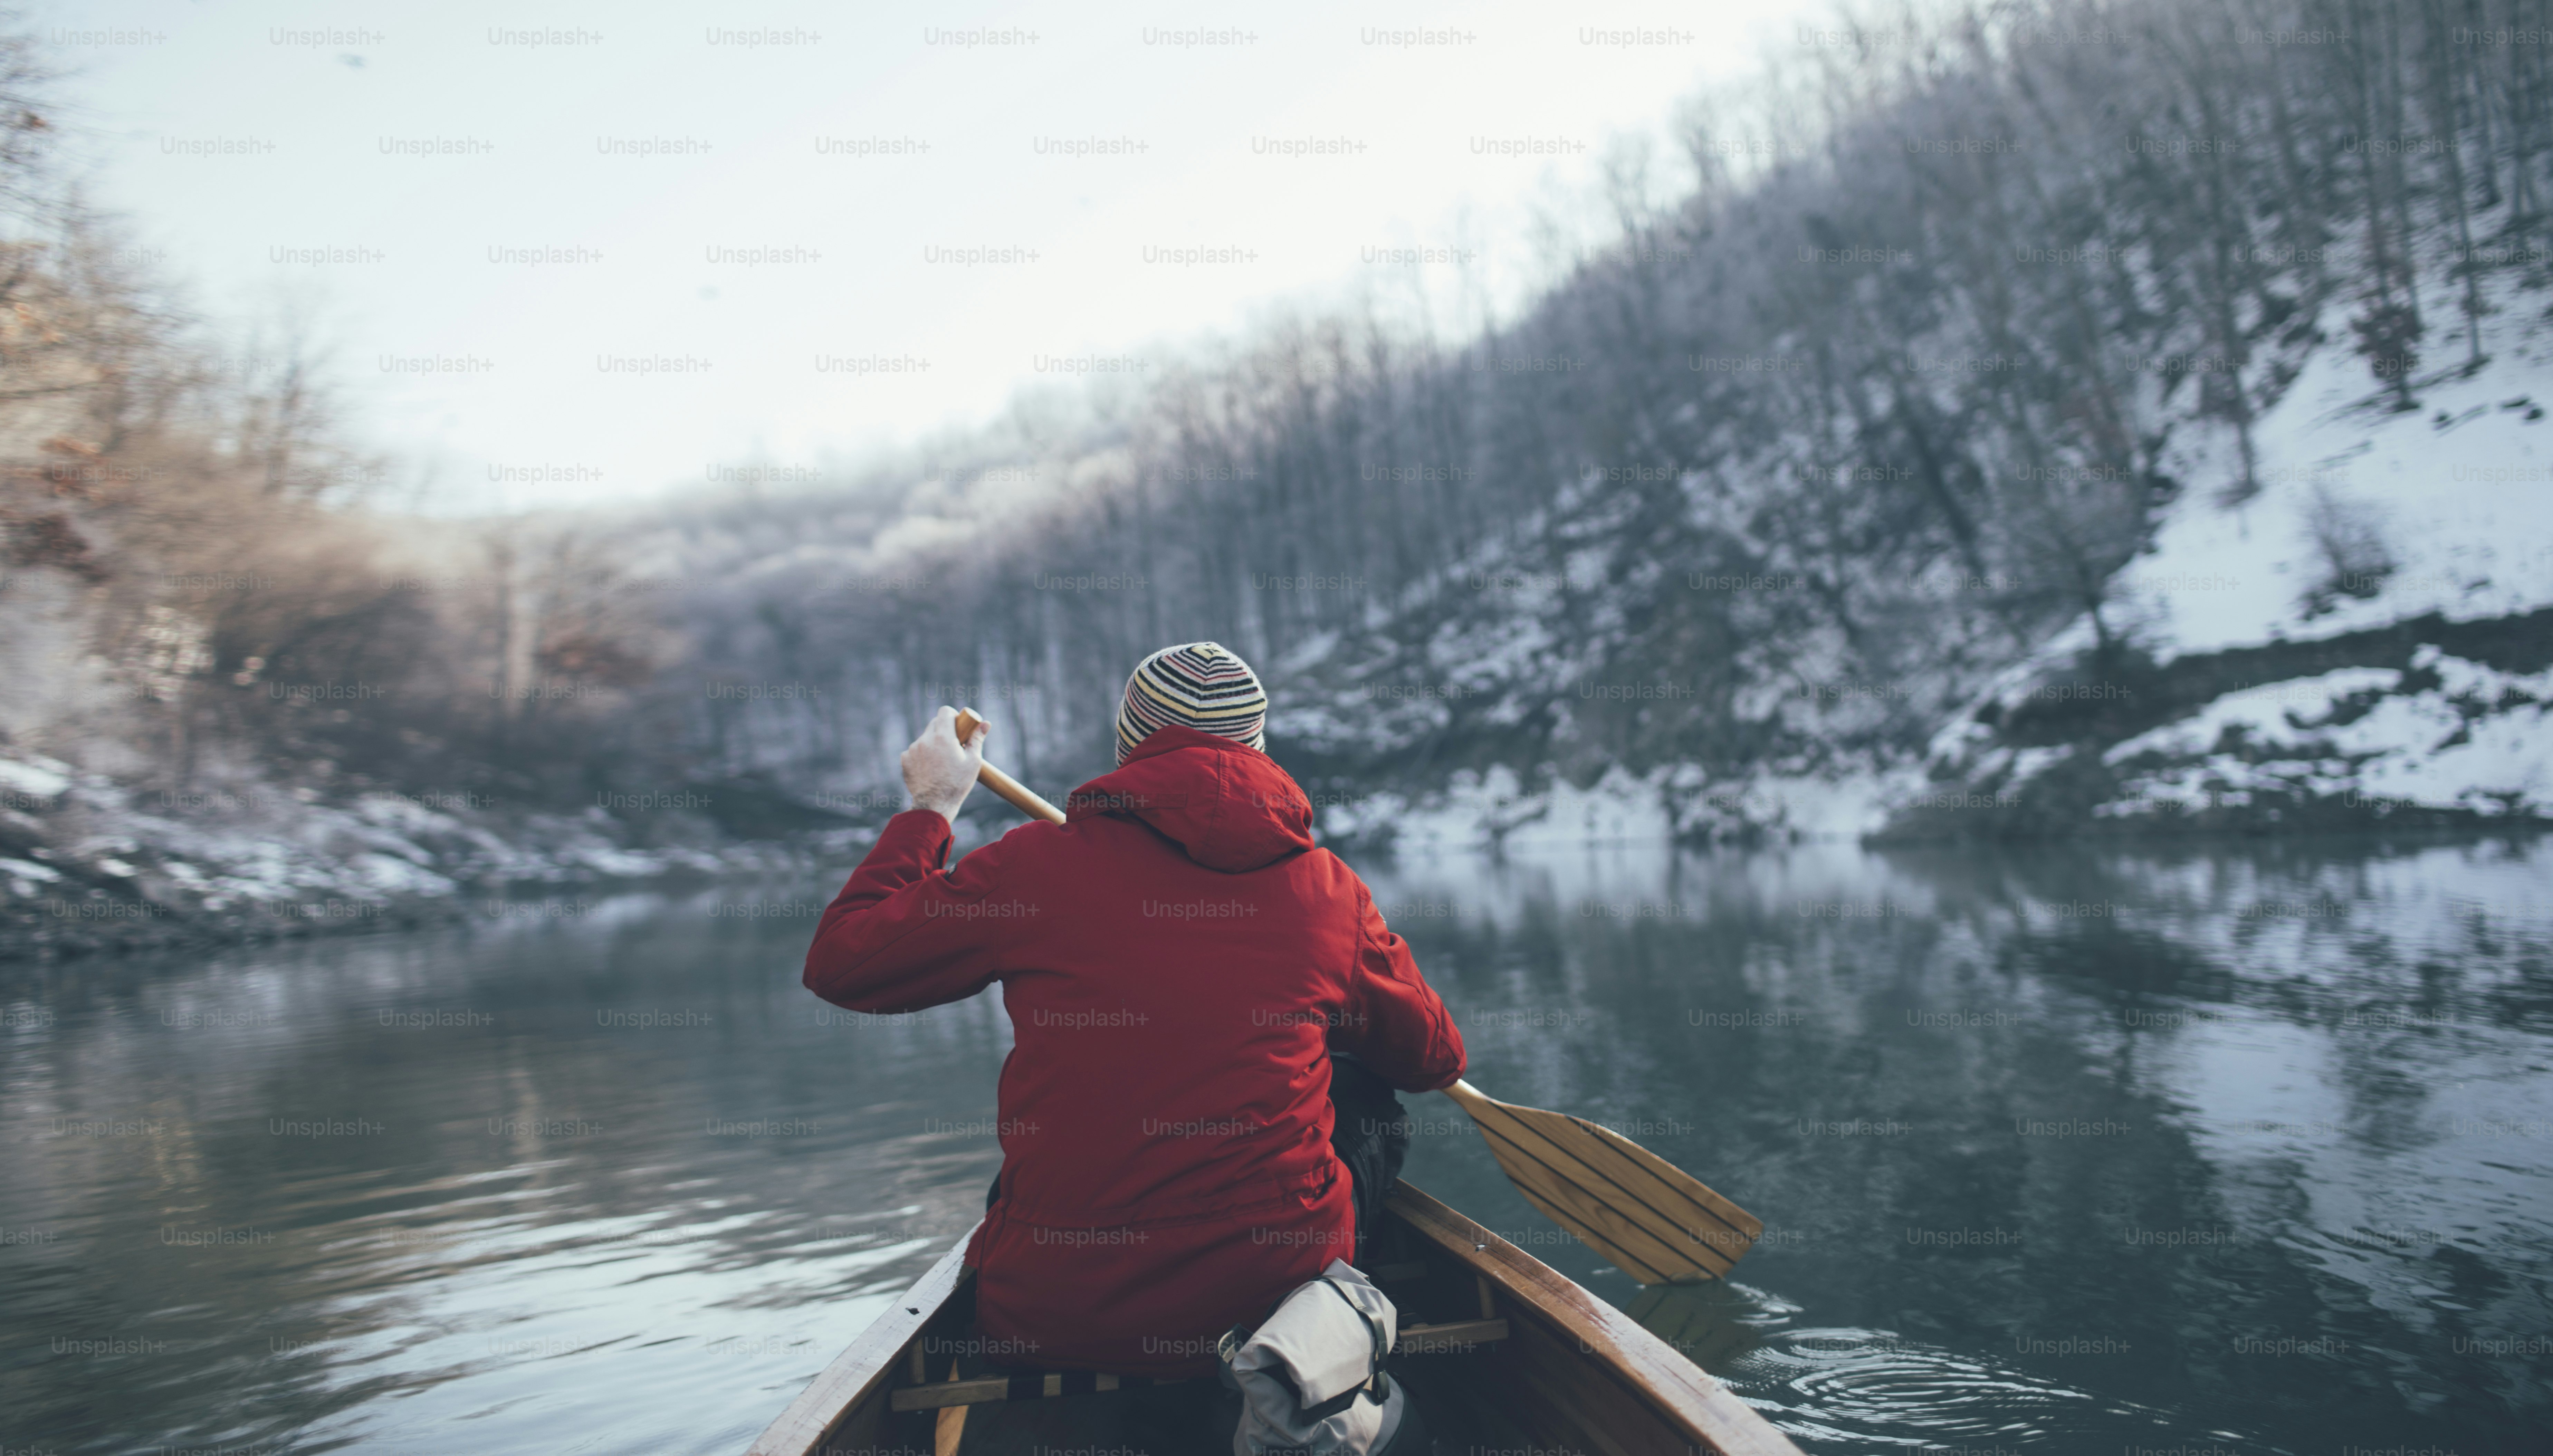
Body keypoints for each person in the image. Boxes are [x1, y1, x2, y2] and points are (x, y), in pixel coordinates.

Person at [802, 642, 1466, 1380]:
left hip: (1053, 1310)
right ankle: (1313, 1335)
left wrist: (931, 808)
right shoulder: (1329, 891)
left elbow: (844, 964)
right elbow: (1435, 1059)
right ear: (1260, 748)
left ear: (1127, 746)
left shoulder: (1031, 868)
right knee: (1362, 1088)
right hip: (1270, 1300)